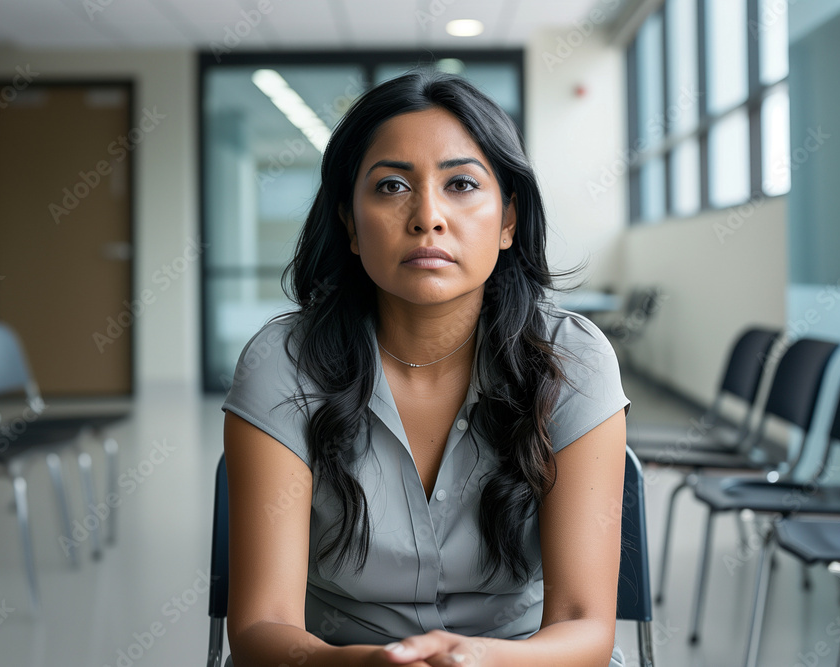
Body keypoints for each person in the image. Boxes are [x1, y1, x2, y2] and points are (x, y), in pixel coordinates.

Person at [221, 70, 630, 667]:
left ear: (509, 220)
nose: (427, 217)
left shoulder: (572, 363)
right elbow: (263, 625)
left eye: (462, 183)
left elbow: (583, 628)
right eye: (390, 187)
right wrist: (368, 664)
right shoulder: (283, 365)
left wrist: (477, 661)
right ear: (349, 224)